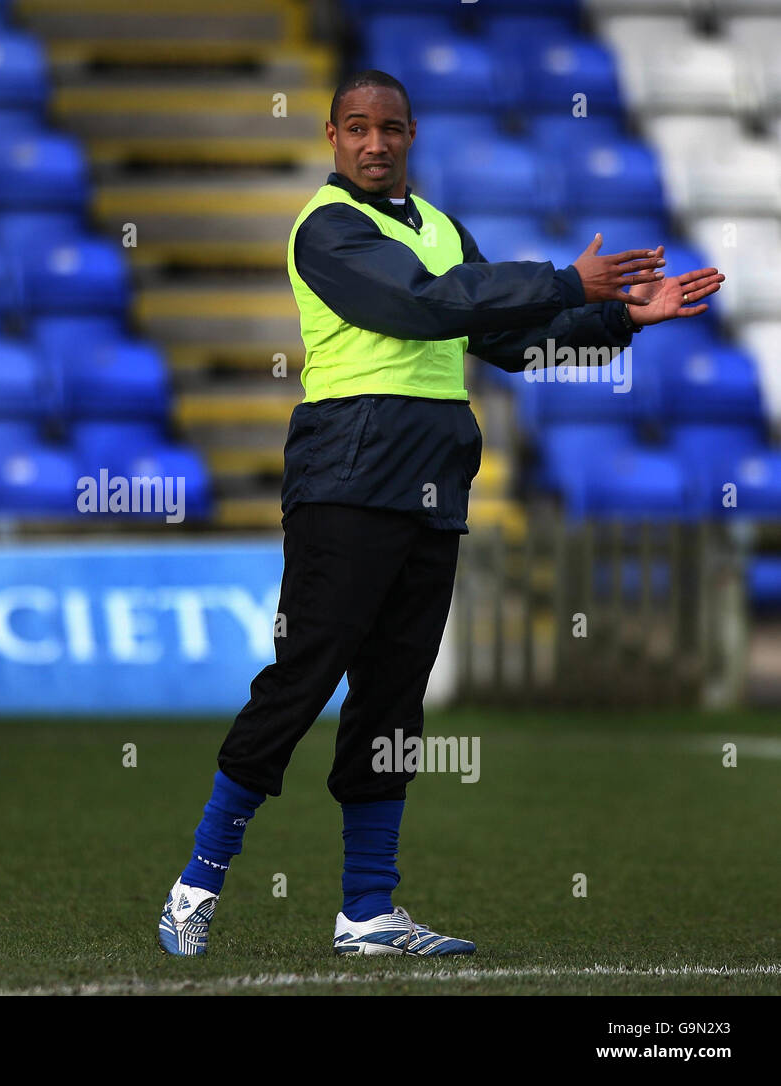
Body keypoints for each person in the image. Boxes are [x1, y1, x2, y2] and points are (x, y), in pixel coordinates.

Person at [157, 70, 724, 958]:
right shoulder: (328, 227)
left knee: (393, 704)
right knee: (303, 681)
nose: (373, 143)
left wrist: (621, 321)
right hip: (345, 480)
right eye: (356, 128)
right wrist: (566, 281)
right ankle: (196, 884)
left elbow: (502, 341)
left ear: (412, 135)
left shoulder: (441, 227)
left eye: (389, 128)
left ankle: (368, 914)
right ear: (332, 138)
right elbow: (420, 307)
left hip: (431, 485)